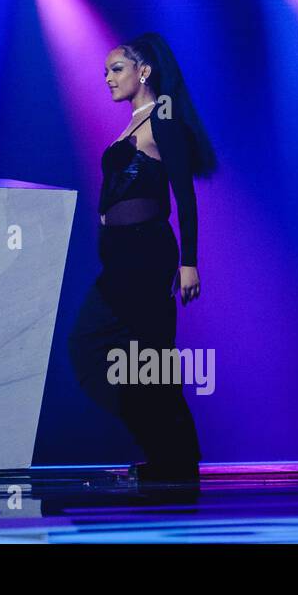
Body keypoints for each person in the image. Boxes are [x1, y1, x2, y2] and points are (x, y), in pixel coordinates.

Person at [68, 33, 216, 485]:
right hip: (120, 259)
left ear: (143, 71)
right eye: (106, 71)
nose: (108, 78)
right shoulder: (131, 125)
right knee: (109, 350)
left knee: (150, 357)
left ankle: (178, 461)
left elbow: (184, 196)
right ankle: (166, 453)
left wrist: (189, 261)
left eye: (117, 69)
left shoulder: (163, 120)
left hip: (147, 254)